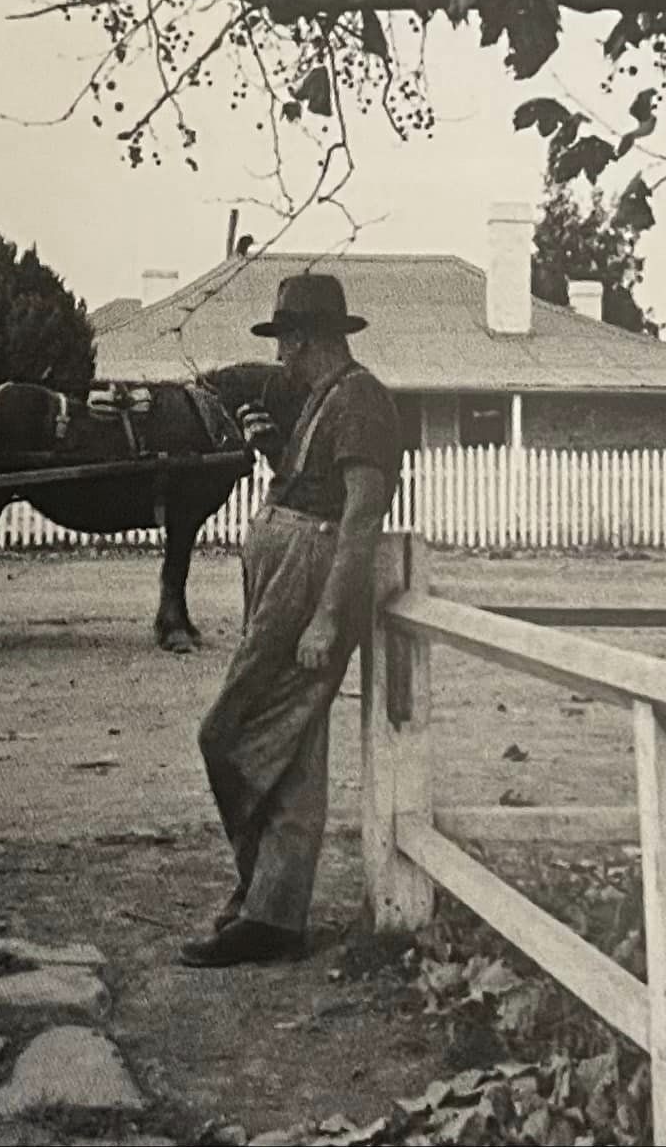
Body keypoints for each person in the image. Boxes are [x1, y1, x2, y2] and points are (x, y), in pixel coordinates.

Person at [181, 272, 401, 968]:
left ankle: (261, 900)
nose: (280, 358)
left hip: (309, 578)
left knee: (227, 733)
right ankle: (270, 914)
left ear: (308, 338)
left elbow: (360, 517)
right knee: (295, 748)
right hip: (286, 570)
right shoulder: (324, 399)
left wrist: (327, 621)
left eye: (285, 343)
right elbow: (313, 486)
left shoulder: (361, 400)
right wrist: (272, 447)